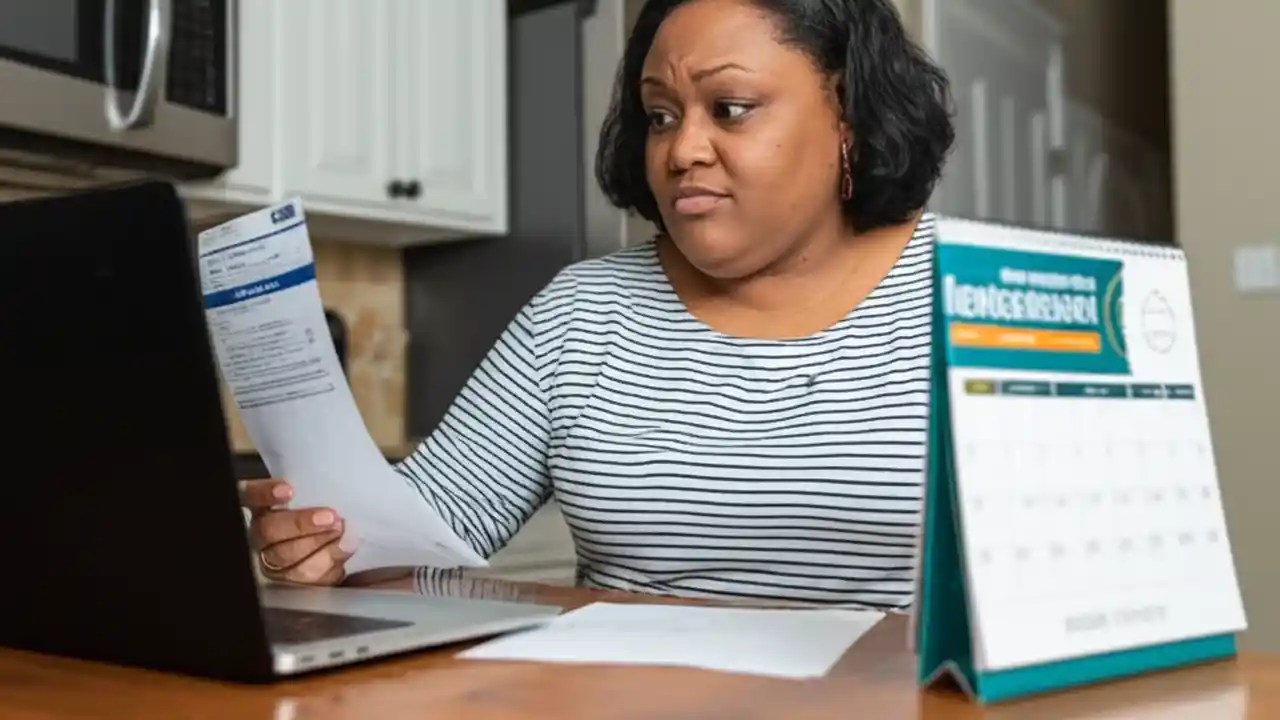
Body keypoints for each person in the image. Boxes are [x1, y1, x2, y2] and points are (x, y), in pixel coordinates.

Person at [239, 0, 954, 608]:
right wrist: (324, 546)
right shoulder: (582, 313)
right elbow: (410, 536)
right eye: (661, 116)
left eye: (730, 110)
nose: (682, 151)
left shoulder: (978, 294)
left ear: (848, 117)